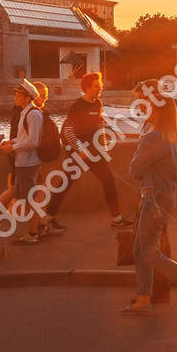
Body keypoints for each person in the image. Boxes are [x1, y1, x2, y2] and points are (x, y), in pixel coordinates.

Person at [124, 92, 177, 316]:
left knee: (149, 252)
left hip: (154, 201)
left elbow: (134, 170)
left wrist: (140, 149)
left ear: (159, 112)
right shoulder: (174, 138)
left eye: (150, 106)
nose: (146, 109)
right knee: (140, 250)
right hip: (166, 197)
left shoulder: (152, 138)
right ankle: (143, 297)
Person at [44, 72, 132, 232]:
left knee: (108, 181)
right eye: (97, 86)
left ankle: (116, 219)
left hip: (95, 153)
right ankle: (48, 219)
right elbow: (68, 130)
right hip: (78, 153)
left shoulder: (97, 103)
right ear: (87, 88)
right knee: (65, 184)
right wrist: (80, 150)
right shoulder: (78, 105)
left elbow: (99, 126)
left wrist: (103, 148)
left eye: (100, 86)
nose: (100, 89)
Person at [0, 80, 50, 244]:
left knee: (30, 199)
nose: (15, 96)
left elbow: (33, 142)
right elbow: (24, 138)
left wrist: (14, 148)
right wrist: (12, 142)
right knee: (28, 198)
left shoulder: (33, 114)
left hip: (28, 163)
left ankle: (33, 233)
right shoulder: (25, 113)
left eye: (18, 94)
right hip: (23, 163)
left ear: (27, 98)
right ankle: (36, 229)